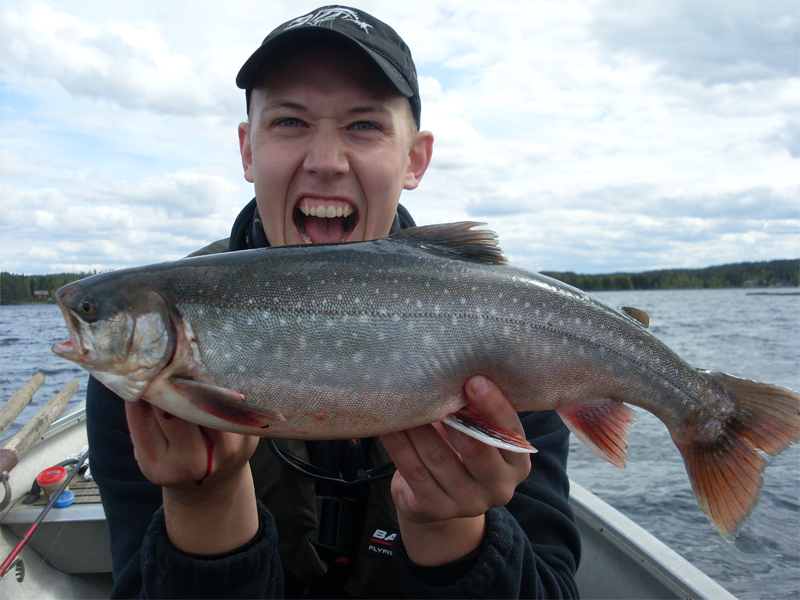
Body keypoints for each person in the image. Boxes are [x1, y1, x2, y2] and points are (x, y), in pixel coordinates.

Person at [86, 6, 581, 598]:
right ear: (247, 149)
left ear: (415, 158)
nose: (325, 161)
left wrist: (454, 535)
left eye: (364, 125)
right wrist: (205, 504)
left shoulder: (505, 326)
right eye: (290, 122)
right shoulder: (147, 369)